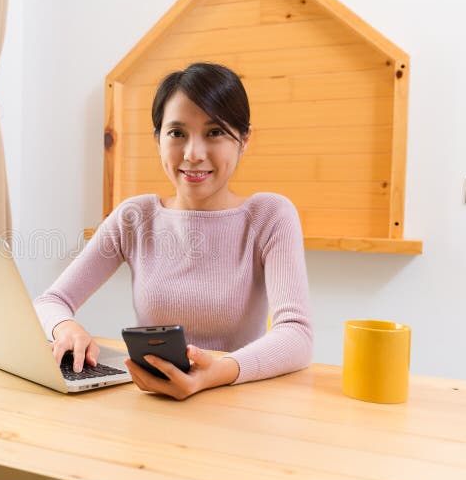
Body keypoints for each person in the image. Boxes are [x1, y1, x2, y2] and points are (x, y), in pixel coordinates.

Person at [33, 62, 313, 400]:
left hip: (236, 405)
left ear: (244, 139)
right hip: (152, 407)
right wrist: (66, 327)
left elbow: (297, 336)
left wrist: (213, 374)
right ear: (158, 139)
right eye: (177, 133)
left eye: (215, 132)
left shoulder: (269, 216)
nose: (193, 154)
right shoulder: (135, 217)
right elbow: (51, 301)